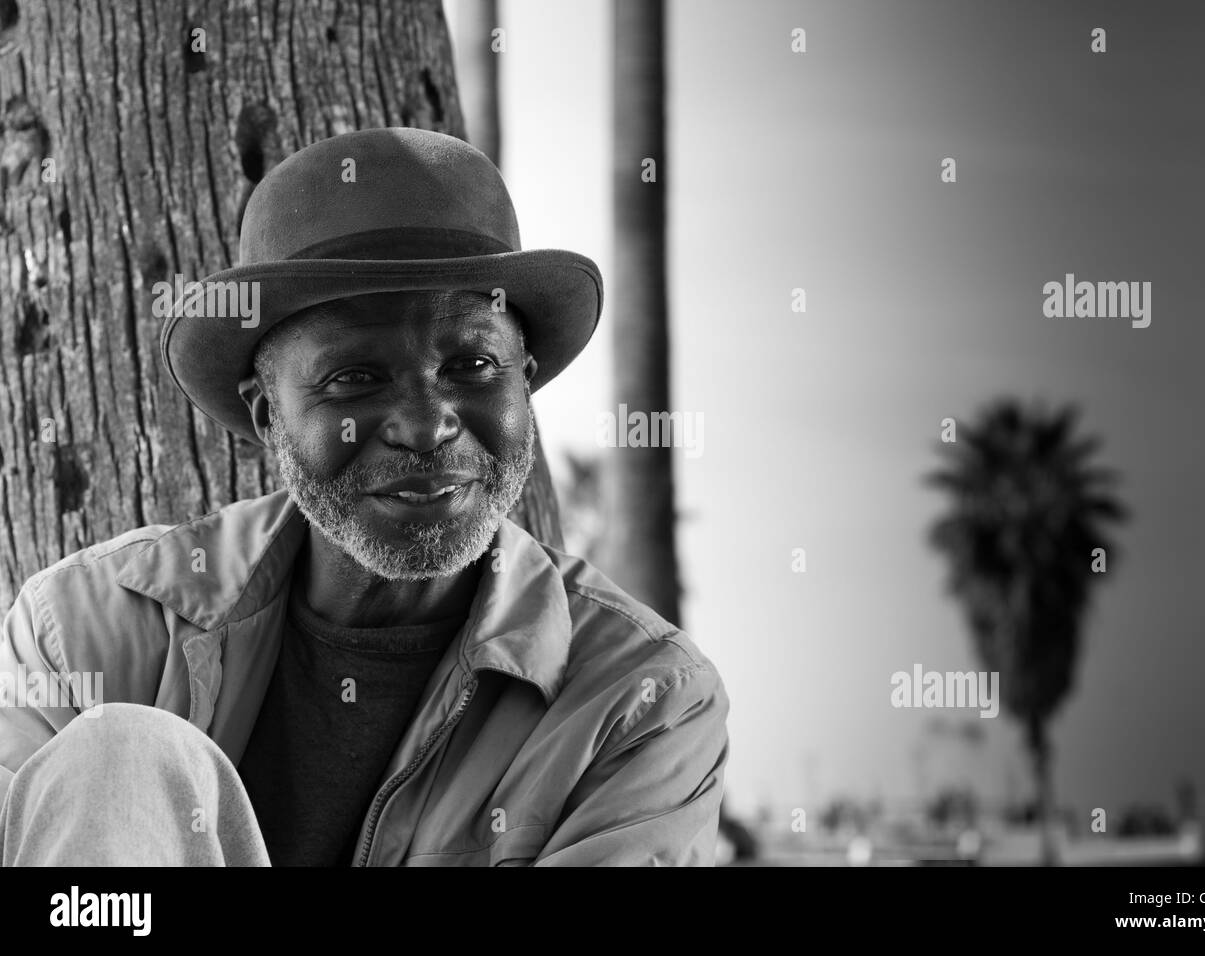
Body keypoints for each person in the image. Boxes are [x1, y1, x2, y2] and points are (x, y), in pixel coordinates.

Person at [0, 128, 729, 866]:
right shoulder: (83, 631)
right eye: (353, 379)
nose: (426, 426)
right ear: (266, 416)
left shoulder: (641, 701)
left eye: (474, 364)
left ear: (524, 381)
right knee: (122, 752)